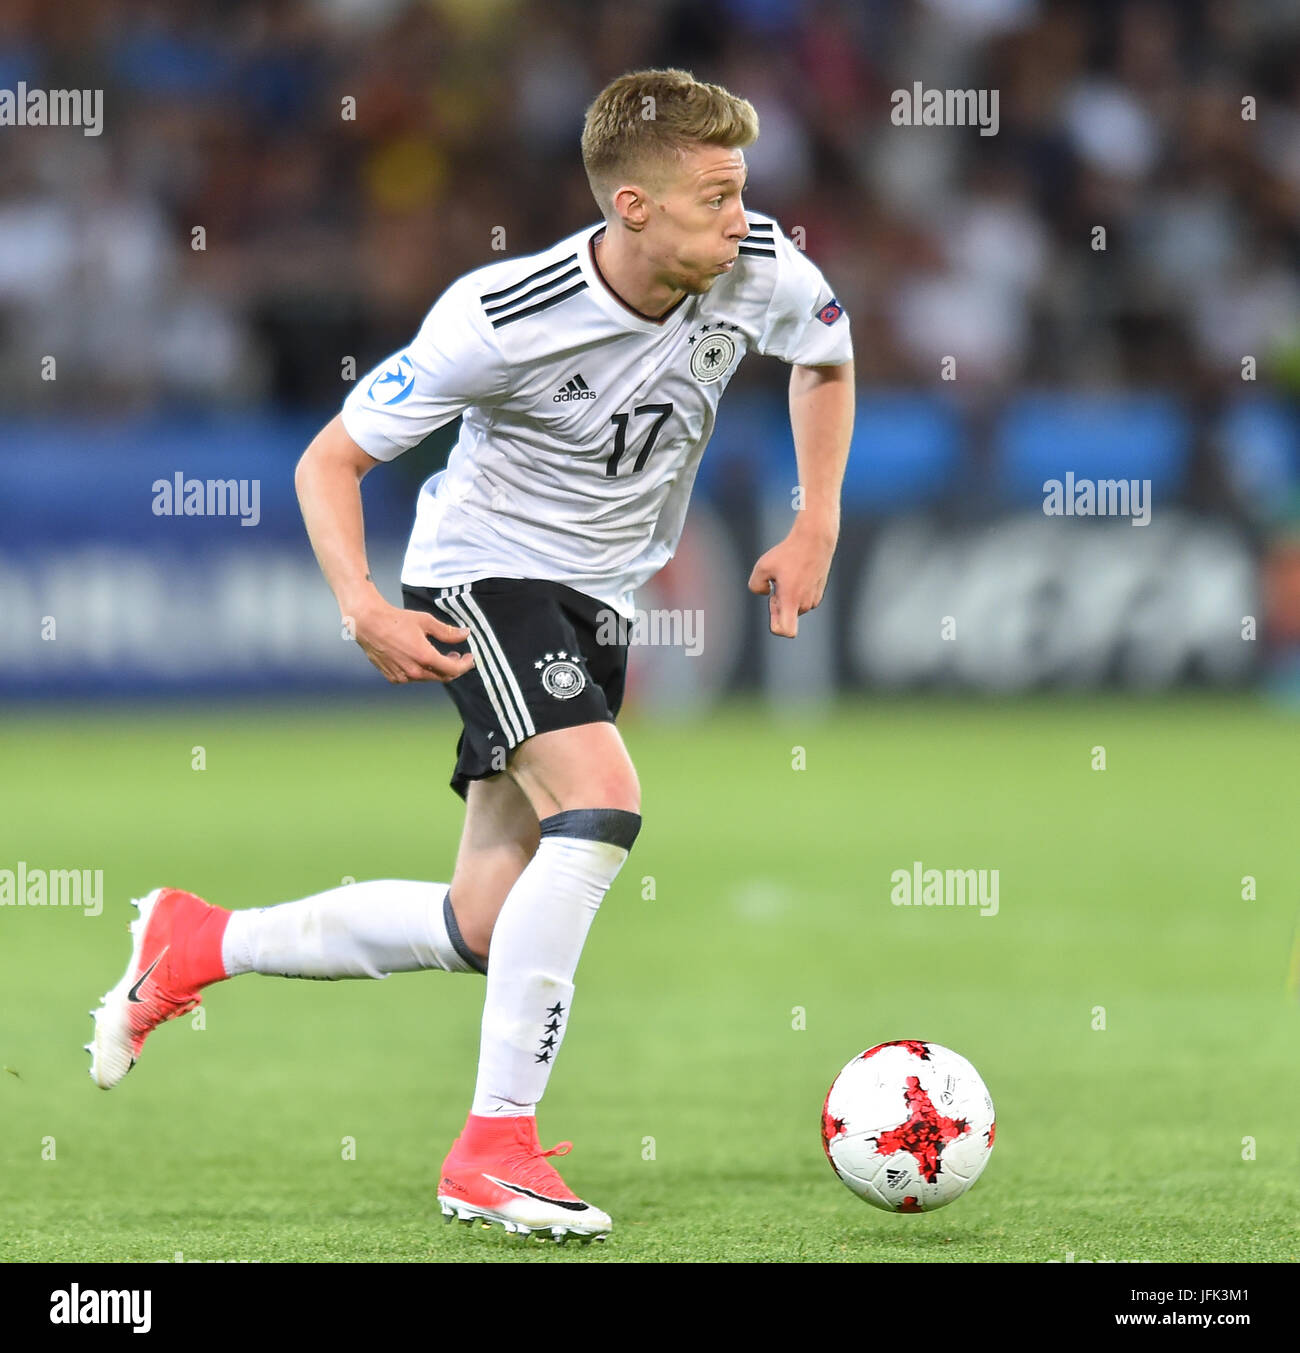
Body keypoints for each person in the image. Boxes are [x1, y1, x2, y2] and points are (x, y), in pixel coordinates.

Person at [86, 67, 855, 1244]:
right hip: (481, 571)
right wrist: (360, 604)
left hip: (600, 591)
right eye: (713, 196)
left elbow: (825, 359)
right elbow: (327, 461)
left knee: (486, 924)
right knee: (601, 804)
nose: (740, 219)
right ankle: (492, 1148)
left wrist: (816, 519)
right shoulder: (499, 314)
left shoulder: (757, 268)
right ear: (632, 209)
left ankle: (197, 940)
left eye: (742, 191)